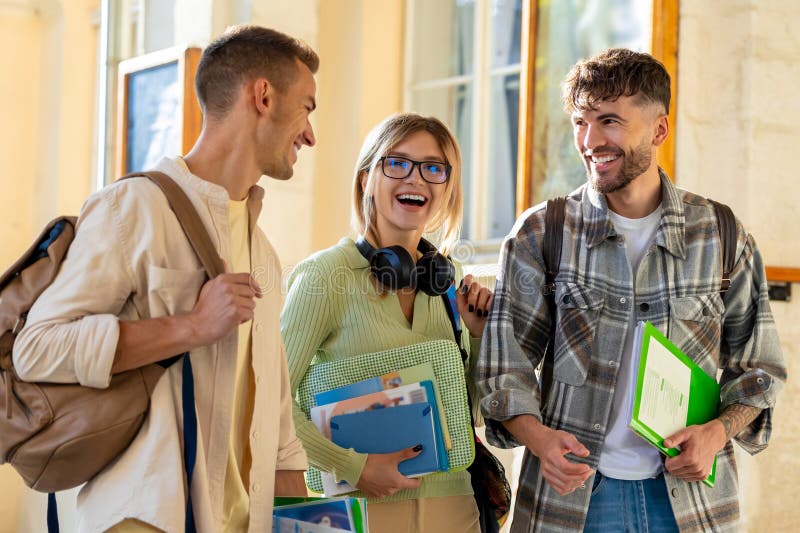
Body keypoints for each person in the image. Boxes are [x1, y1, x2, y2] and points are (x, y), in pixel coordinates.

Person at [13, 25, 318, 532]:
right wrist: (192, 327)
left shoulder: (262, 251)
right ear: (263, 96)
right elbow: (37, 348)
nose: (311, 134)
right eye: (308, 107)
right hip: (144, 519)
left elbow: (278, 430)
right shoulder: (134, 208)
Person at [476, 48, 787, 533]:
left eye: (609, 121)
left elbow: (760, 370)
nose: (590, 140)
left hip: (690, 506)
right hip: (572, 502)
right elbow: (503, 369)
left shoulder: (721, 234)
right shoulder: (542, 234)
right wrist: (538, 440)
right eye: (581, 121)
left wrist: (715, 433)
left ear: (658, 130)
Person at [281, 113, 492, 533]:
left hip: (455, 507)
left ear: (447, 187)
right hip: (359, 513)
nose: (416, 179)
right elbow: (269, 405)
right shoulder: (324, 276)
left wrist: (478, 335)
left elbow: (469, 411)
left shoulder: (446, 280)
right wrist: (354, 467)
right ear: (366, 179)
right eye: (397, 163)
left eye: (434, 168)